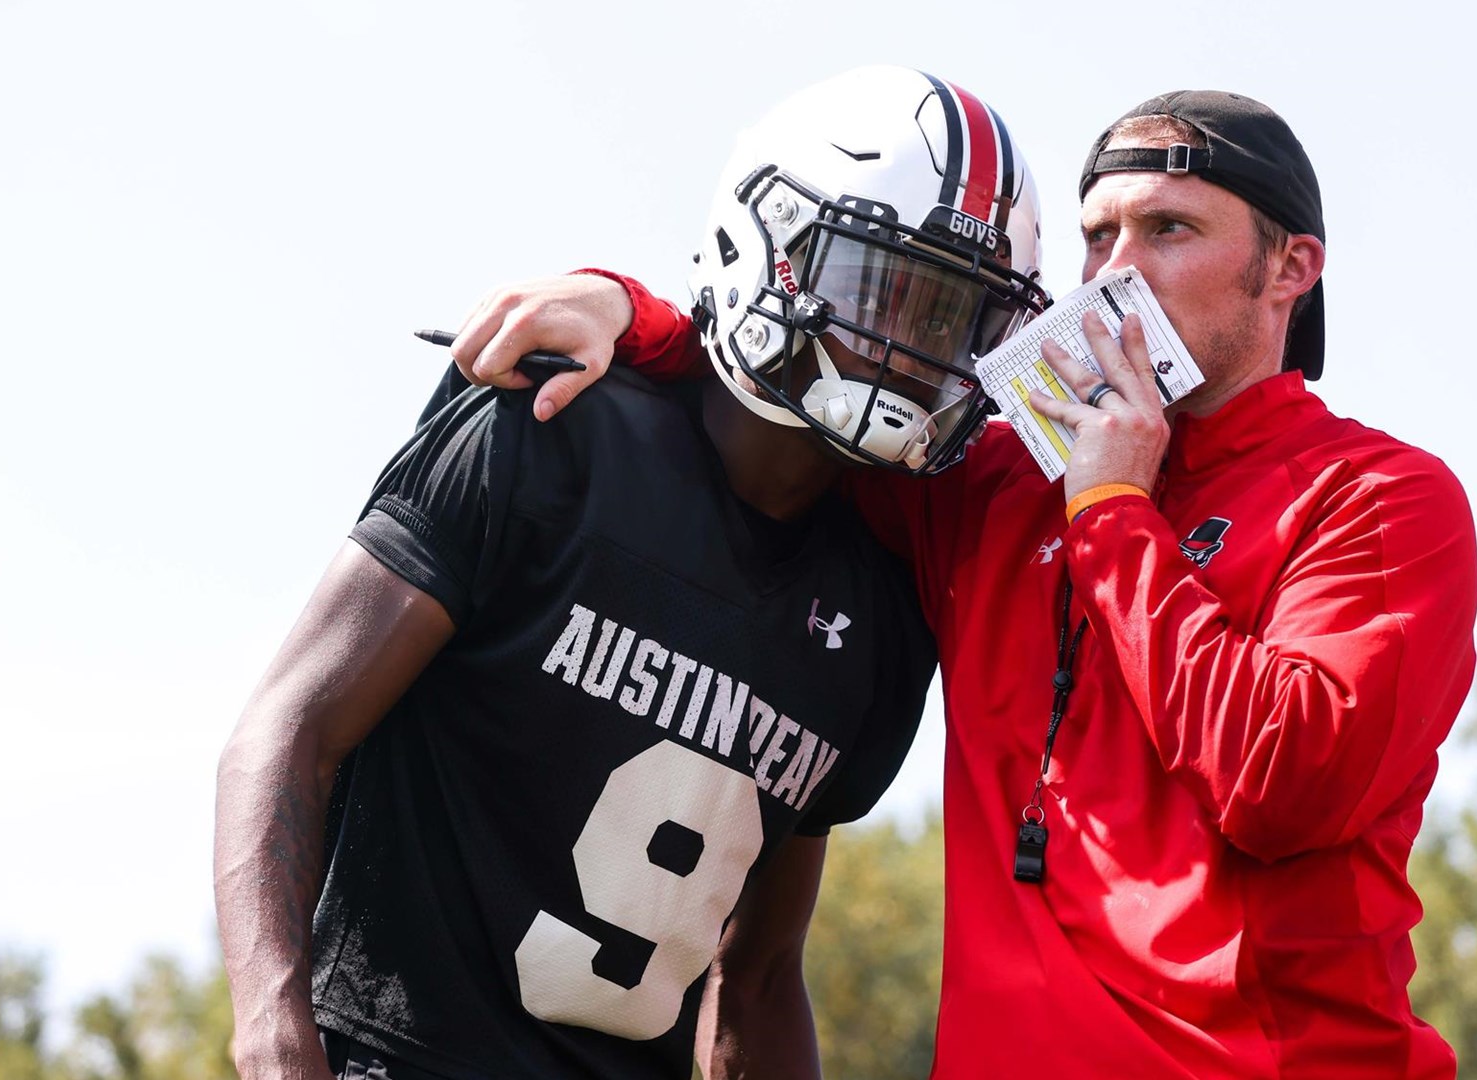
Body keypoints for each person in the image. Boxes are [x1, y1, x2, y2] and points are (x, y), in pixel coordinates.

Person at [451, 89, 1477, 1078]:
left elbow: (1282, 785)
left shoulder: (1381, 497)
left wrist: (1112, 512)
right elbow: (812, 403)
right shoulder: (997, 479)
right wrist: (632, 315)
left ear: (1290, 267)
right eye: (1097, 237)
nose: (1114, 275)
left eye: (1167, 230)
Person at [213, 66, 1047, 1080]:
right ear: (770, 243)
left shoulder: (878, 613)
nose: (909, 349)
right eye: (886, 289)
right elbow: (287, 730)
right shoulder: (553, 433)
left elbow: (764, 971)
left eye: (947, 318)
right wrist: (272, 1029)